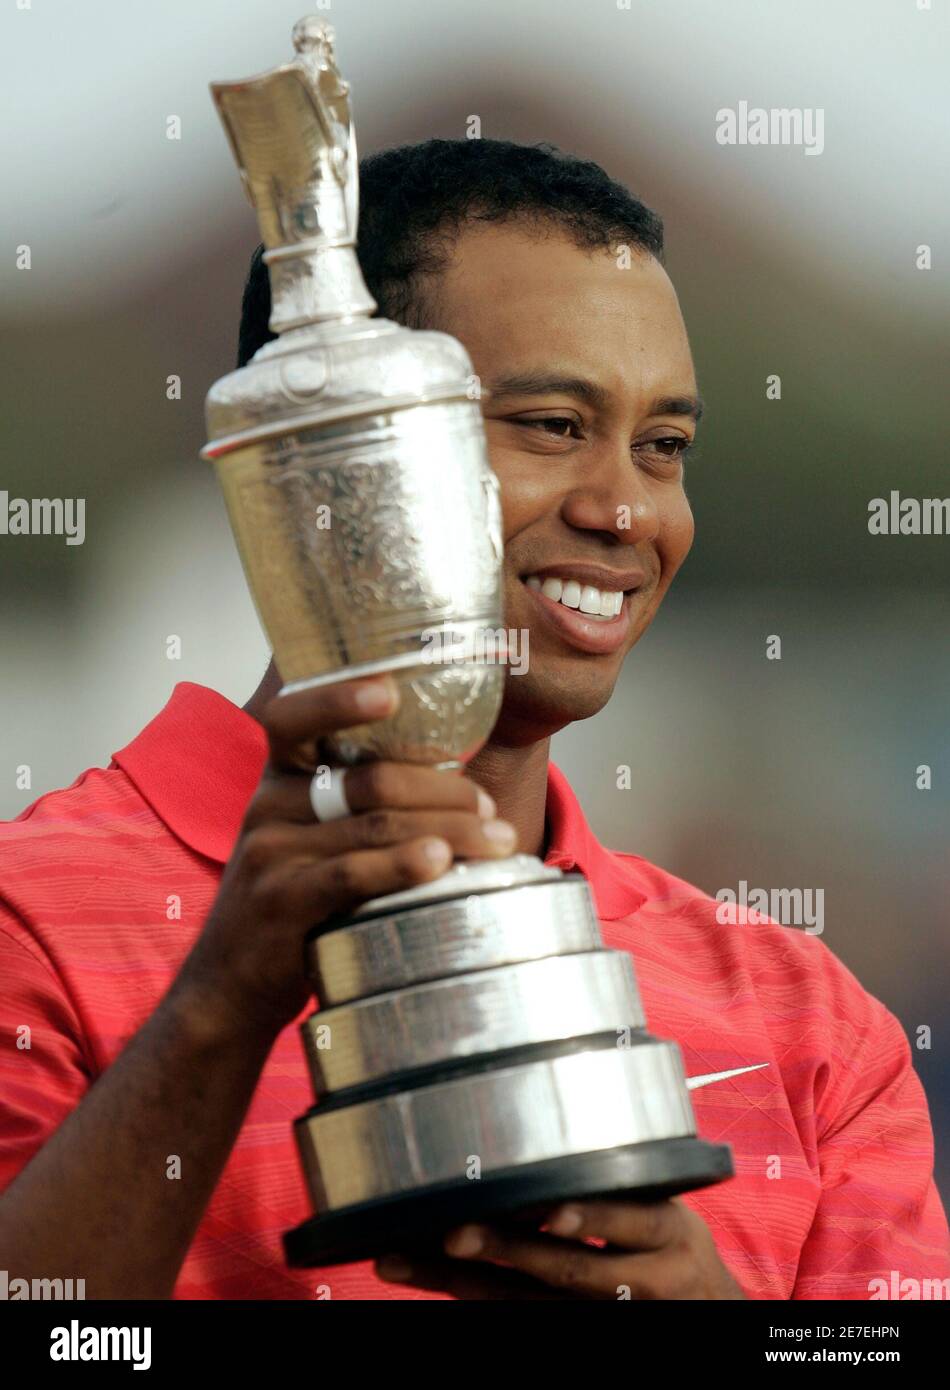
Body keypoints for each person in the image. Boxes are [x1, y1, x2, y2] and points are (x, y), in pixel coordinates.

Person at [1, 139, 947, 1301]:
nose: (621, 509)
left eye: (663, 447)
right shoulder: (29, 924)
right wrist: (216, 1012)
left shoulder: (809, 1028)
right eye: (551, 425)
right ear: (325, 458)